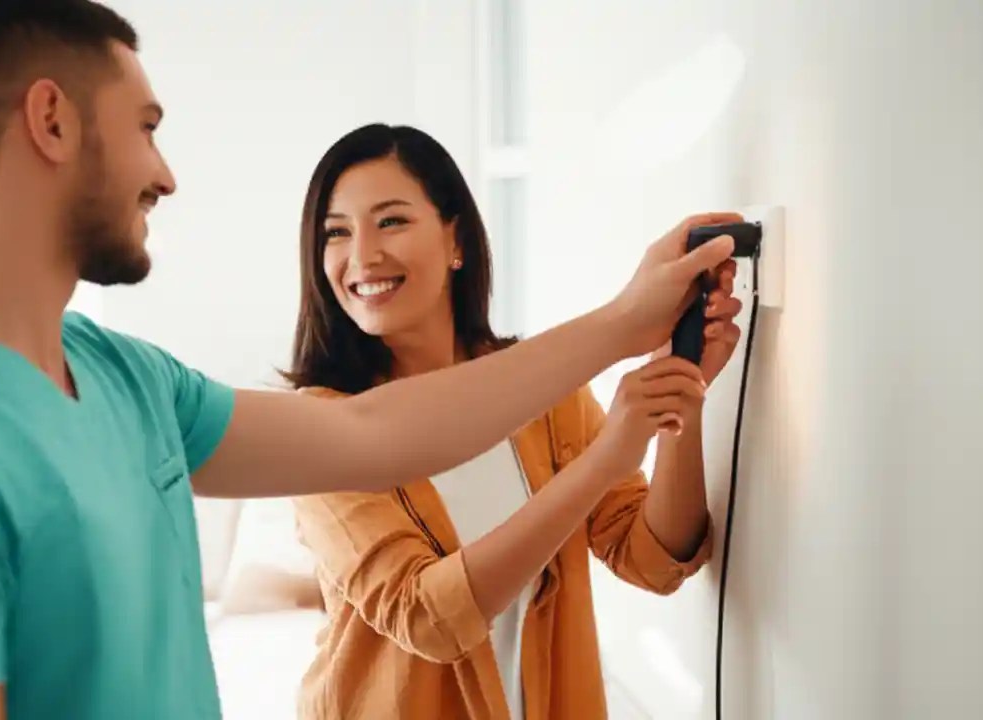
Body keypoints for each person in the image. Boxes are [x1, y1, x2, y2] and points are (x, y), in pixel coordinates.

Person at [0, 2, 741, 719]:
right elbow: (417, 581)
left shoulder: (129, 380)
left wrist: (629, 329)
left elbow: (368, 432)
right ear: (51, 120)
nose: (166, 174)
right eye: (148, 125)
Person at [284, 124, 745, 719]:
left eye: (390, 221)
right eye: (336, 232)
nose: (362, 255)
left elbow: (653, 558)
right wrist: (604, 461)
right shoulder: (321, 431)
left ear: (457, 241)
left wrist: (680, 381)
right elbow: (427, 618)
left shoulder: (540, 389)